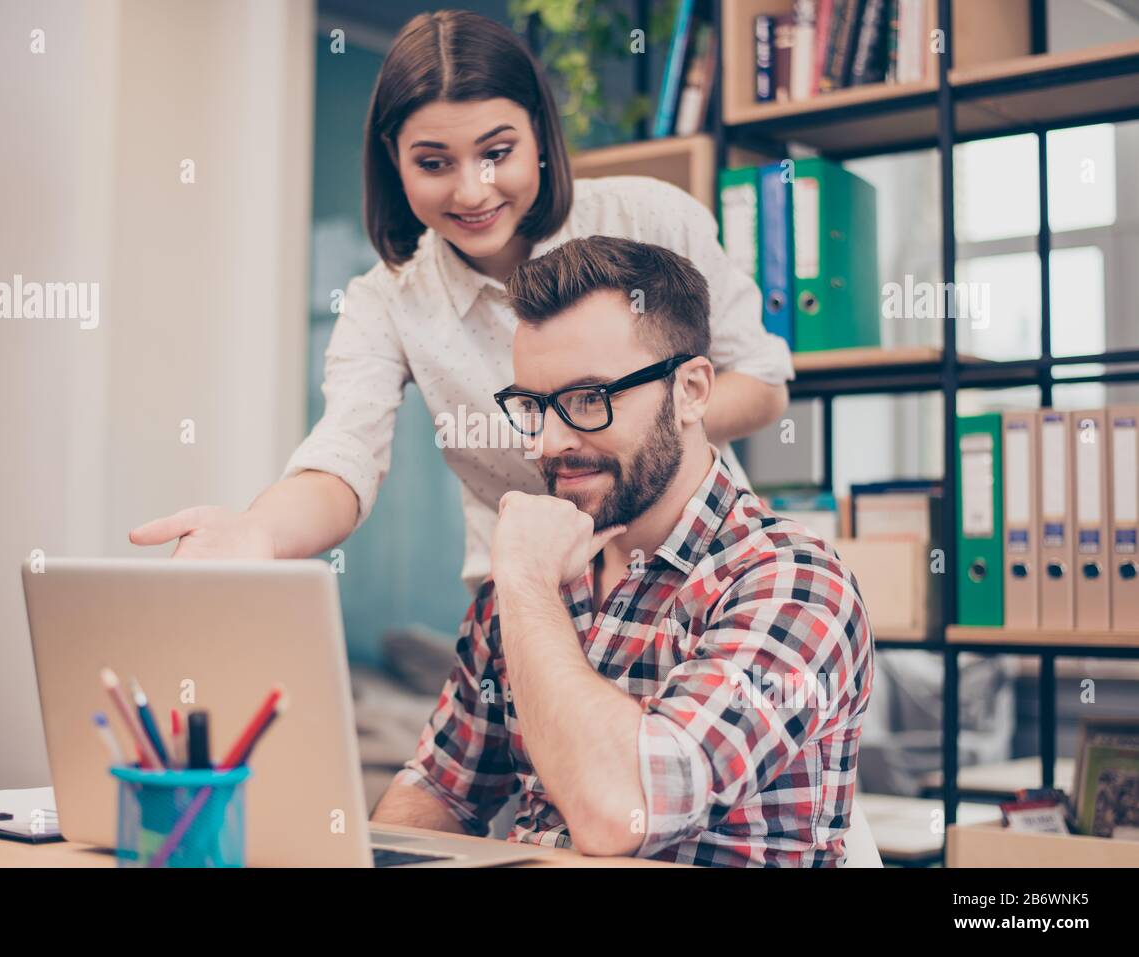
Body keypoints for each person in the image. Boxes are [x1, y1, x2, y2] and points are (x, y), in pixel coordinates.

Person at [129, 10, 792, 594]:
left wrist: (613, 440)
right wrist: (259, 534)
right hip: (527, 597)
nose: (472, 192)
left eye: (496, 152)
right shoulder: (388, 300)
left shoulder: (649, 214)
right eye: (434, 162)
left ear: (539, 133)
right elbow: (342, 459)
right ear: (394, 159)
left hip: (686, 565)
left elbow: (761, 385)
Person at [371, 237, 874, 866]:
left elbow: (621, 813)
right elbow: (442, 787)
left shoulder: (791, 584)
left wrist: (526, 583)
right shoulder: (531, 581)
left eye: (589, 399)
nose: (549, 443)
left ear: (691, 390)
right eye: (534, 405)